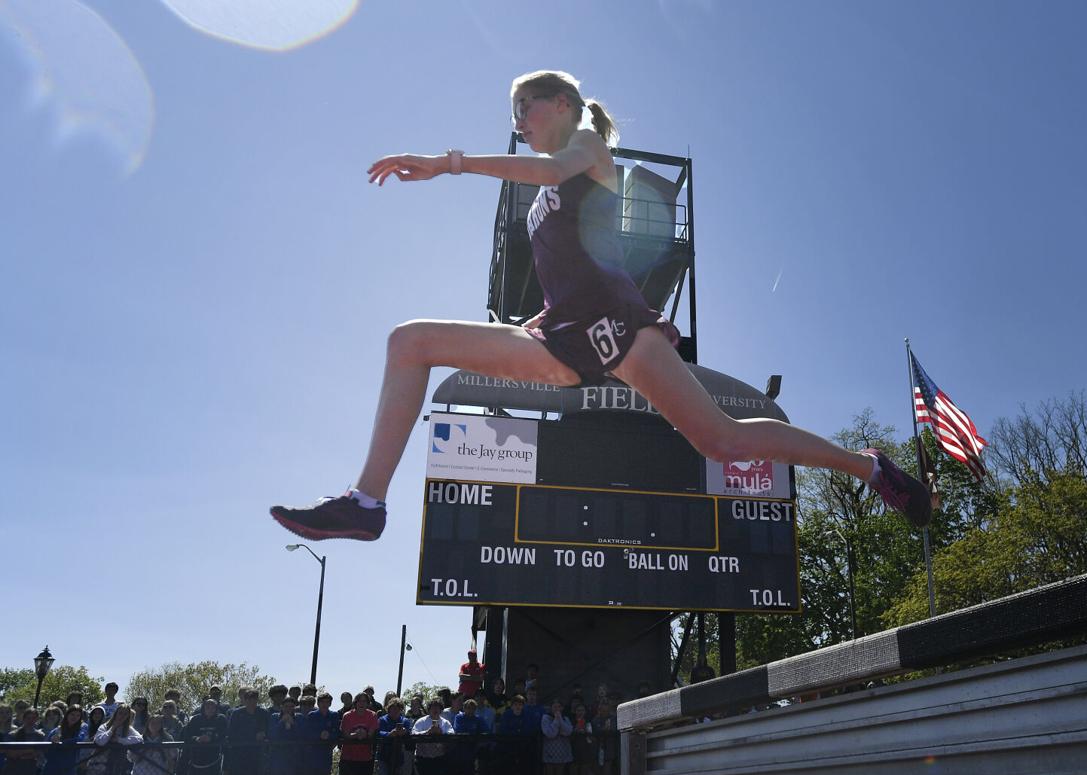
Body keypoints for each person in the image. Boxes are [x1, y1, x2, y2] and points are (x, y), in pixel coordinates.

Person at [268, 69, 931, 543]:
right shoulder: (550, 177)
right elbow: (581, 254)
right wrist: (539, 314)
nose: (519, 126)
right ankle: (366, 503)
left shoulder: (585, 141)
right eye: (515, 118)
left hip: (621, 331)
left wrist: (450, 164)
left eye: (524, 111)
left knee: (721, 441)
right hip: (560, 336)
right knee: (409, 341)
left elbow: (560, 183)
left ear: (558, 102)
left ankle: (871, 468)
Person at [338, 692, 379, 775]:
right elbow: (345, 734)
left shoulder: (372, 716)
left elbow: (371, 733)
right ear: (355, 703)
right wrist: (356, 735)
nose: (362, 703)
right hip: (348, 756)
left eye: (364, 701)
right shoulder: (347, 716)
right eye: (359, 701)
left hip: (364, 757)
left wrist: (364, 734)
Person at [410, 698, 453, 775]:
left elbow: (451, 734)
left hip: (438, 758)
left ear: (441, 709)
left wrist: (441, 734)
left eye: (438, 707)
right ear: (429, 709)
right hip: (422, 758)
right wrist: (427, 732)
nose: (435, 709)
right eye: (433, 707)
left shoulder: (445, 723)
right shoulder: (421, 721)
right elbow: (414, 734)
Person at [303, 692, 340, 775]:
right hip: (311, 759)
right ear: (318, 704)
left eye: (327, 702)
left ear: (330, 703)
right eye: (322, 702)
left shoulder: (334, 715)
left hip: (325, 759)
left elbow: (337, 733)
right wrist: (319, 735)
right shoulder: (312, 716)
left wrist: (329, 736)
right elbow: (306, 733)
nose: (324, 704)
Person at [540, 699, 572, 775]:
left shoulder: (566, 719)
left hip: (562, 755)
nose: (557, 709)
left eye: (559, 707)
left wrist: (559, 720)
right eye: (555, 707)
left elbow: (568, 731)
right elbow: (550, 733)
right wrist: (556, 723)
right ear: (551, 708)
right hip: (549, 754)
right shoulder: (545, 718)